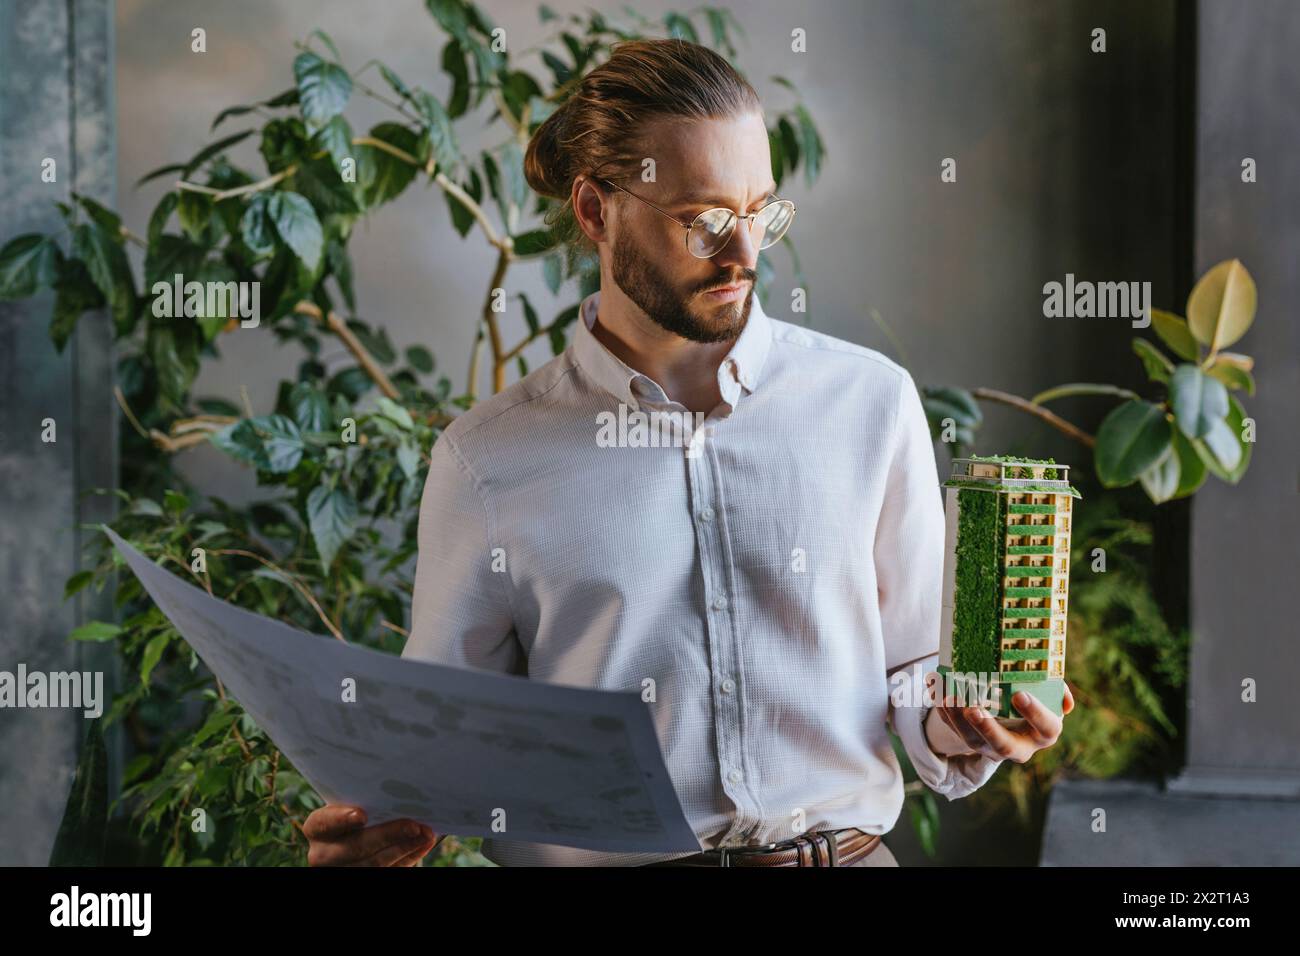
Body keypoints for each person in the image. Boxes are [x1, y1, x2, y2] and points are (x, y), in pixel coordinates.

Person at [304, 37, 1072, 868]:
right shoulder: (488, 459)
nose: (744, 254)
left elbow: (918, 667)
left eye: (761, 213)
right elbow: (442, 740)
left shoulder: (871, 404)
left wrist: (968, 718)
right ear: (597, 211)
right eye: (705, 221)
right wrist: (376, 833)